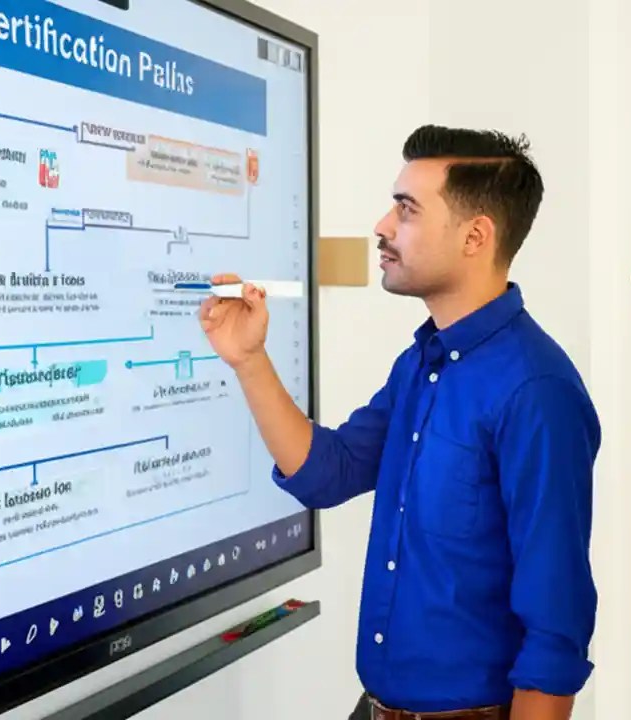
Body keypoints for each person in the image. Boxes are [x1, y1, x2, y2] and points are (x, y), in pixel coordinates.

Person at [200, 125, 600, 720]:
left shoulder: (536, 391)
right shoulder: (421, 363)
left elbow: (555, 626)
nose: (382, 227)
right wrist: (249, 361)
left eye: (406, 210)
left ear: (475, 235)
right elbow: (325, 475)